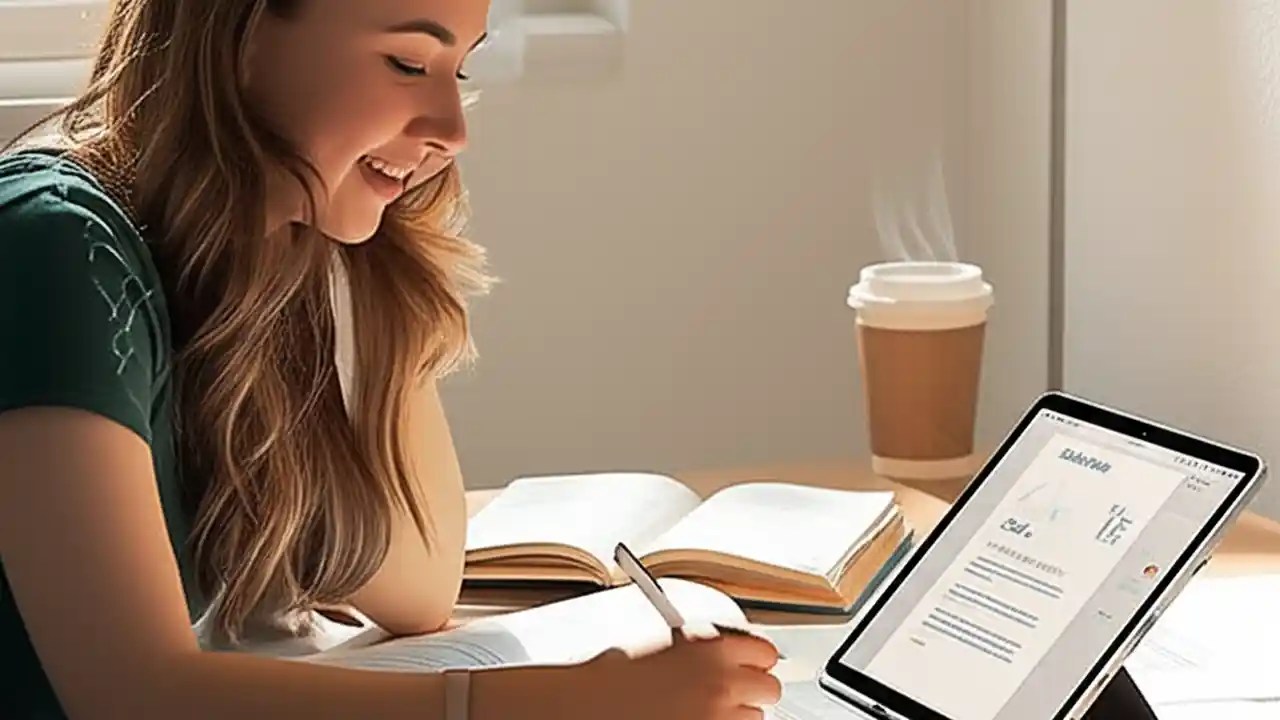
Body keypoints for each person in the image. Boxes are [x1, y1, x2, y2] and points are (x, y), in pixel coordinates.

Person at [0, 0, 781, 717]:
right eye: (409, 64)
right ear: (237, 36)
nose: (454, 125)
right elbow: (131, 693)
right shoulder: (55, 247)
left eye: (460, 69)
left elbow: (419, 587)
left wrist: (382, 267)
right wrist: (552, 706)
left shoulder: (262, 248)